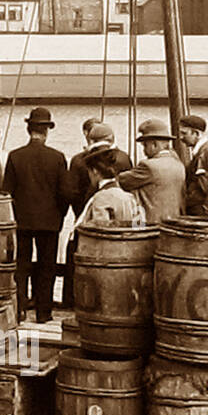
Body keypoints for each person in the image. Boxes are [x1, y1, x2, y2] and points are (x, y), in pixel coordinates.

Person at [3, 106, 68, 324]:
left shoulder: (15, 156)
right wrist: (59, 216)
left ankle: (20, 309)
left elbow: (7, 192)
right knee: (46, 267)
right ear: (47, 131)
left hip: (22, 221)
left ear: (28, 129)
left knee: (21, 266)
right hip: (49, 222)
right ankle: (44, 313)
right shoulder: (57, 158)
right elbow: (64, 192)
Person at [63, 122, 132, 310]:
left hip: (92, 225)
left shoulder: (80, 161)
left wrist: (81, 214)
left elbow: (71, 193)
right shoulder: (124, 159)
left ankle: (76, 303)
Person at [117, 119, 187, 223]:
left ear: (154, 144)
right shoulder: (179, 165)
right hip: (173, 222)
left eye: (145, 146)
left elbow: (121, 180)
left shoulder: (148, 166)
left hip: (151, 223)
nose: (144, 151)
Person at [76, 145, 146, 229]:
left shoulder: (100, 198)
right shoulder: (130, 198)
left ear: (95, 171)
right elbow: (139, 225)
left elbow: (99, 233)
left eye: (89, 172)